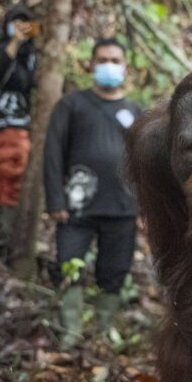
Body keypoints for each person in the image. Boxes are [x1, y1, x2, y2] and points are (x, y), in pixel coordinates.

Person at [44, 38, 142, 341]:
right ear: (90, 65)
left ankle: (102, 332)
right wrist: (55, 199)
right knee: (69, 266)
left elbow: (146, 164)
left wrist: (146, 207)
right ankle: (70, 332)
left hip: (123, 209)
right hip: (77, 207)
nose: (109, 66)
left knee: (114, 272)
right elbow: (52, 152)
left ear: (126, 68)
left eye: (115, 60)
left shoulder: (136, 112)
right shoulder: (71, 105)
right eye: (102, 60)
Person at [0, 4, 38, 232]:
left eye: (25, 24)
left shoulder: (30, 57)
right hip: (3, 121)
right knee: (10, 169)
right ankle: (4, 225)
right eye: (16, 23)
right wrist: (14, 42)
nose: (20, 29)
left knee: (9, 173)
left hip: (22, 120)